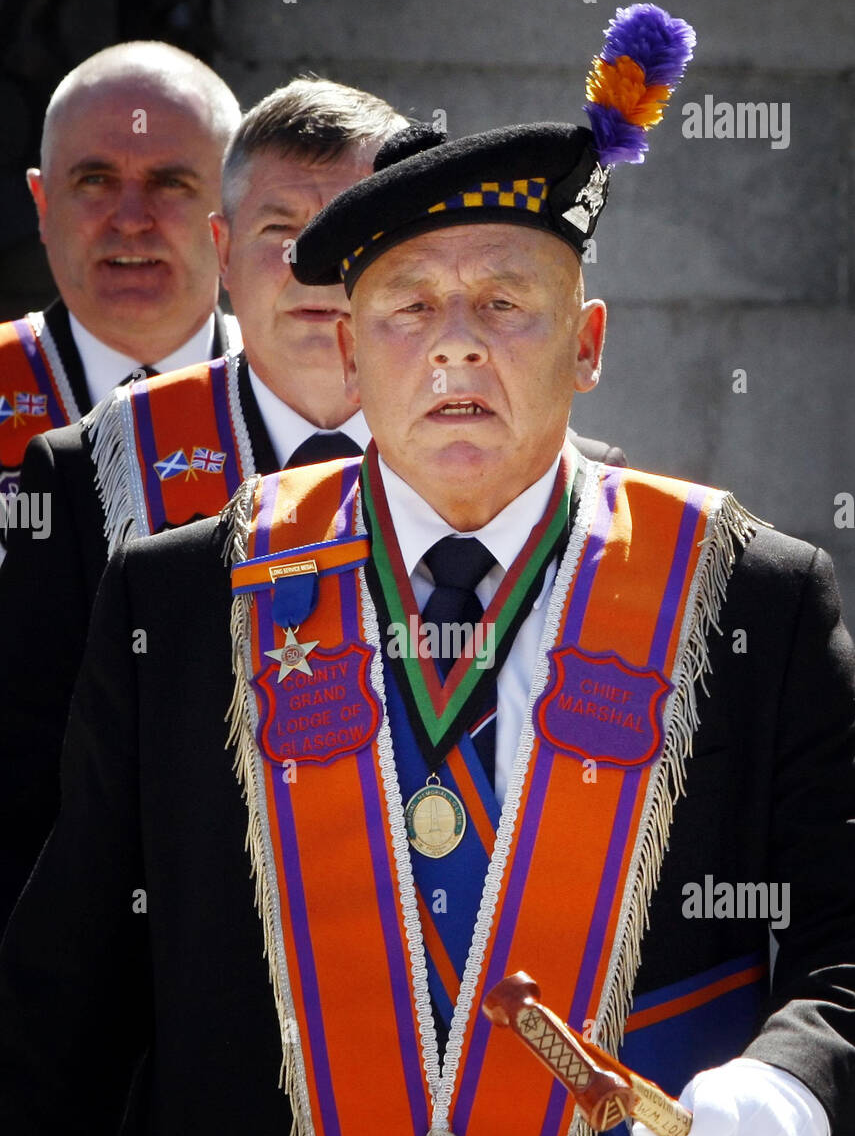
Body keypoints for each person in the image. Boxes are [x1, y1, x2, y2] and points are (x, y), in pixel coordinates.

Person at [1, 4, 855, 1136]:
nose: (457, 340)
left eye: (505, 302)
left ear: (586, 346)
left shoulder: (750, 597)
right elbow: (65, 1001)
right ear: (347, 351)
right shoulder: (182, 602)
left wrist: (793, 1092)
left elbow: (853, 937)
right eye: (408, 306)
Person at [0, 76, 624, 930]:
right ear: (221, 251)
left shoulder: (577, 490)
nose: (314, 269)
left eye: (351, 235)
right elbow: (33, 816)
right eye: (280, 233)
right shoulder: (89, 476)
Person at [0, 41, 241, 520]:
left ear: (235, 211)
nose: (131, 220)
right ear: (43, 205)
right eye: (95, 181)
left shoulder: (309, 396)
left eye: (171, 183)